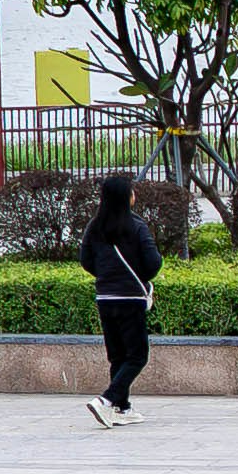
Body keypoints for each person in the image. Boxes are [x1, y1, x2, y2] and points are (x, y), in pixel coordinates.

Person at [75, 171, 160, 426]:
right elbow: (153, 263)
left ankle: (122, 408)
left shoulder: (94, 226)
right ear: (126, 197)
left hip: (105, 298)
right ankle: (107, 400)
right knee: (137, 356)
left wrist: (106, 277)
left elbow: (86, 261)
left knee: (118, 356)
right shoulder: (136, 226)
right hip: (130, 298)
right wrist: (139, 277)